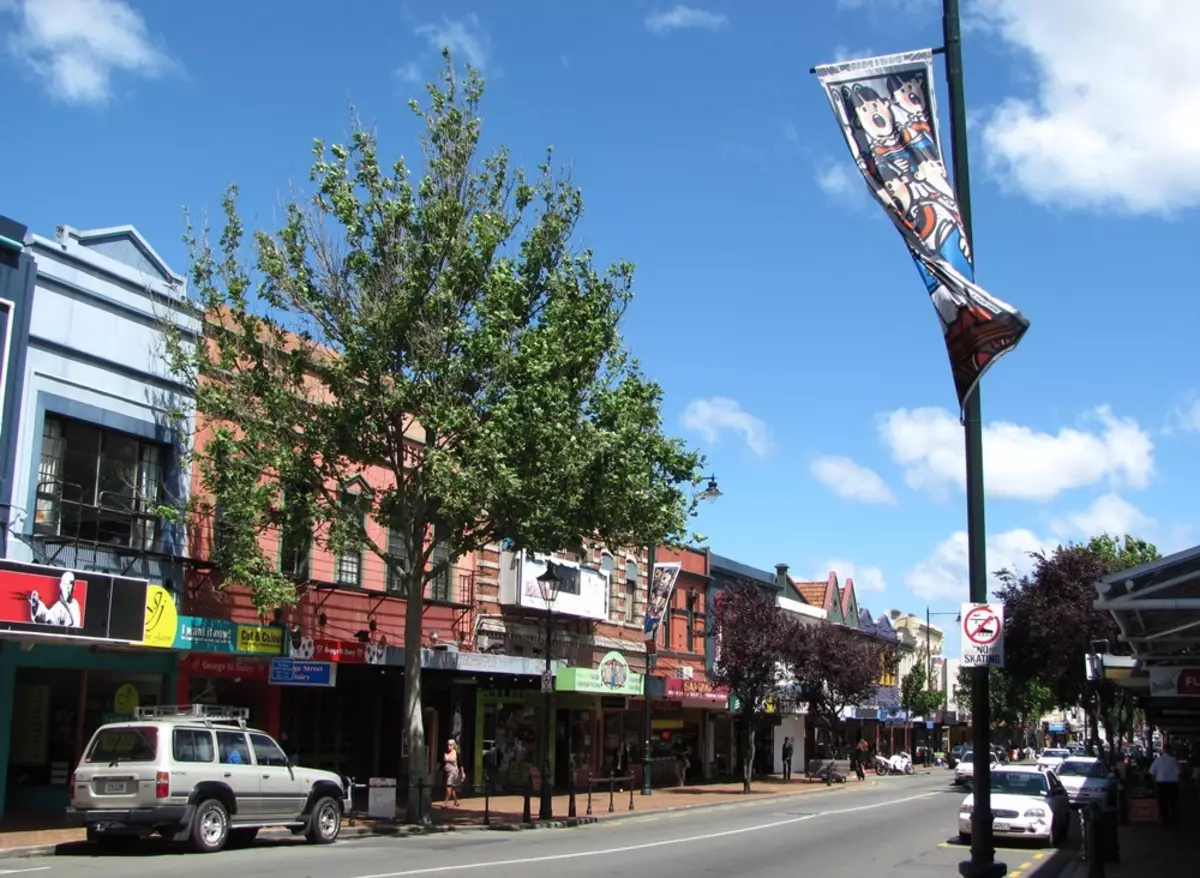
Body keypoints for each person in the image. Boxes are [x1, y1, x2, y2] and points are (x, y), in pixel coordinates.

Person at [1149, 744, 1181, 827]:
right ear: (1170, 750)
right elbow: (1178, 773)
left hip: (1161, 783)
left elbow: (1152, 772)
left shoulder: (1158, 760)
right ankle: (1174, 820)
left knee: (1163, 803)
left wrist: (1154, 781)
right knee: (1173, 803)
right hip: (1172, 783)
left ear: (1163, 750)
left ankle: (1165, 821)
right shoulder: (1173, 760)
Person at [443, 739, 460, 808]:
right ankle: (456, 801)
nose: (449, 746)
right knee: (452, 787)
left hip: (453, 773)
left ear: (453, 746)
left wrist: (447, 758)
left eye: (450, 745)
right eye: (448, 744)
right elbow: (445, 759)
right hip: (448, 772)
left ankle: (445, 804)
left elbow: (450, 759)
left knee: (448, 787)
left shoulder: (454, 752)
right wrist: (447, 758)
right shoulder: (446, 753)